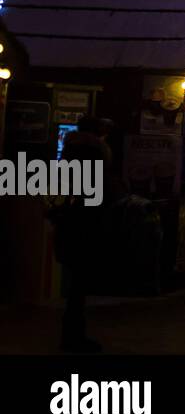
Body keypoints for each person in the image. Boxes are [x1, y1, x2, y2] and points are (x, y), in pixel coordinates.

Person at [49, 116, 114, 352]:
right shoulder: (96, 152)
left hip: (69, 222)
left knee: (75, 284)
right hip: (86, 224)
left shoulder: (69, 150)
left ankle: (72, 335)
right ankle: (74, 338)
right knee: (79, 285)